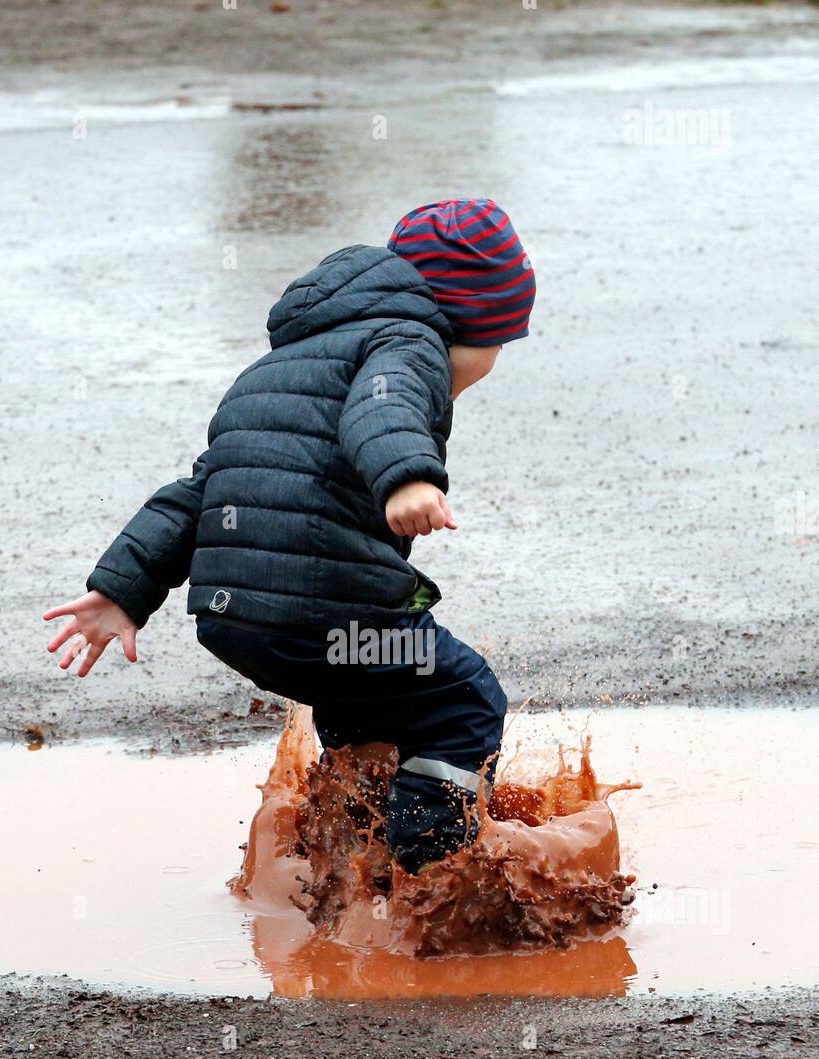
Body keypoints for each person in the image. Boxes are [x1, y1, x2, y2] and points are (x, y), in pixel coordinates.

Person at [44, 198, 536, 872]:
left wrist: (122, 590)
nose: (491, 362)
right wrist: (406, 478)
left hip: (238, 621)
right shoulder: (409, 344)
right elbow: (382, 409)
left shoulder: (282, 367)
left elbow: (198, 491)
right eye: (498, 344)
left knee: (364, 703)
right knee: (461, 694)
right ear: (469, 321)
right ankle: (429, 871)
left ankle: (343, 847)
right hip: (324, 615)